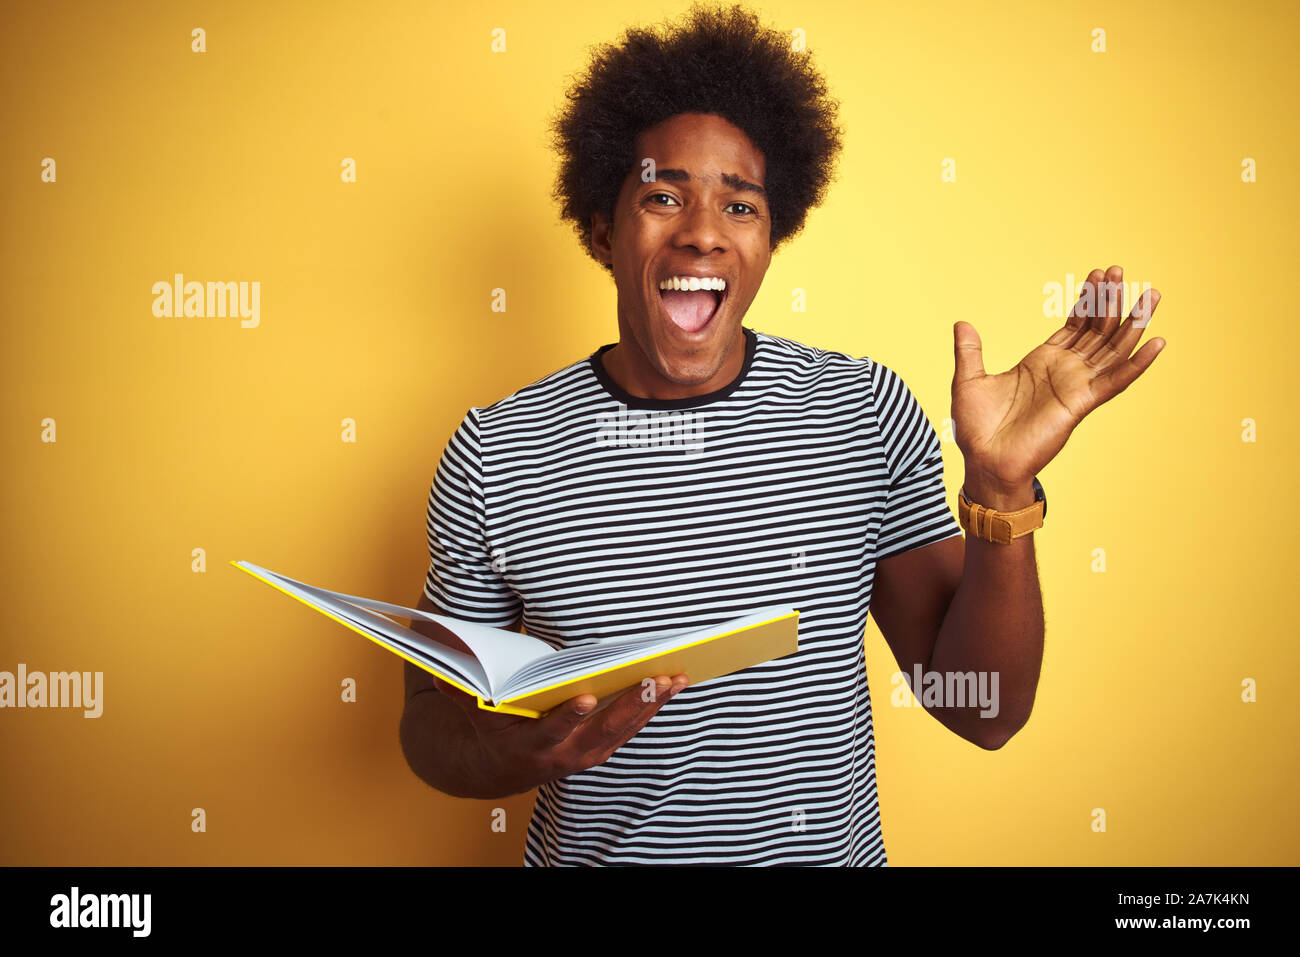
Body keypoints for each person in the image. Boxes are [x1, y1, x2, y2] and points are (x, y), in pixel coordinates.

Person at [399, 2, 1165, 865]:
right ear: (605, 231)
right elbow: (431, 724)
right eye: (662, 196)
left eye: (740, 206)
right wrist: (523, 750)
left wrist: (1001, 490)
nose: (701, 232)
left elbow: (983, 711)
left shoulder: (862, 413)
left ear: (770, 241)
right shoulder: (497, 450)